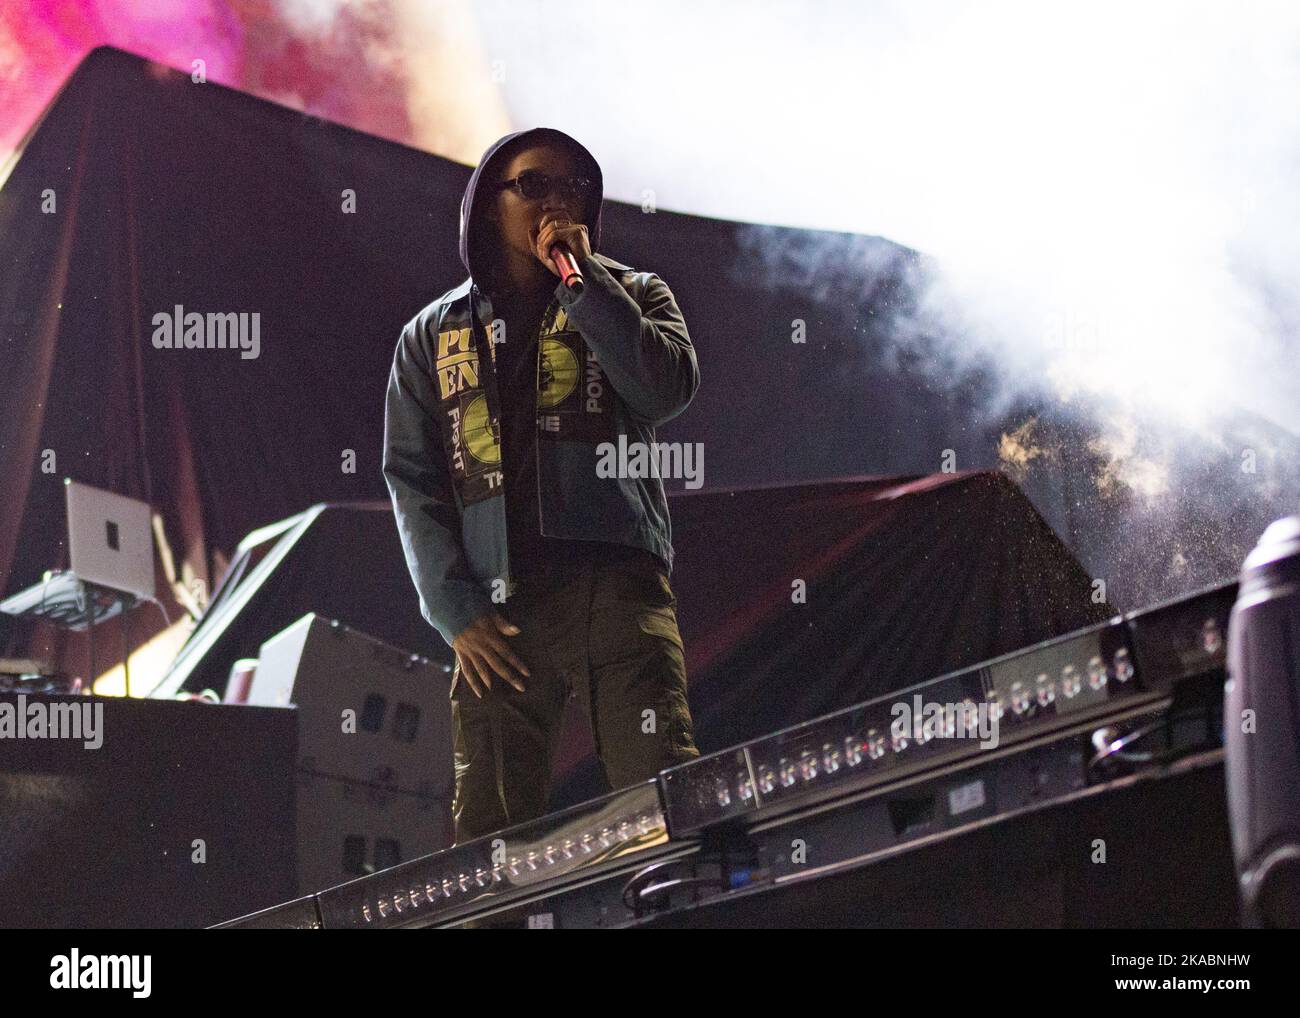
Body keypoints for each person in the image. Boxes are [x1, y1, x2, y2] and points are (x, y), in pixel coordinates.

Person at [383, 127, 701, 842]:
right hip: (497, 610)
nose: (558, 201)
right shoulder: (430, 337)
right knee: (488, 840)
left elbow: (662, 390)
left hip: (613, 587)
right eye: (535, 185)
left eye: (573, 189)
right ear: (488, 204)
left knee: (663, 805)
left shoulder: (636, 292)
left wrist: (587, 289)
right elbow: (412, 478)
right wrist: (452, 607)